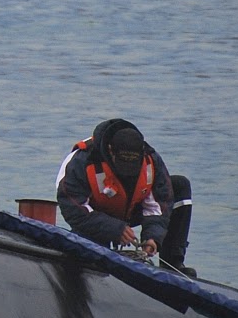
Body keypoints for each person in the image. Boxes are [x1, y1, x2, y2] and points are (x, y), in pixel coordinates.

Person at [55, 118, 196, 276]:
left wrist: (153, 237)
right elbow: (73, 209)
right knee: (91, 255)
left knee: (180, 186)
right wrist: (113, 229)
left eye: (133, 166)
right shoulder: (82, 161)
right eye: (123, 164)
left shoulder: (151, 159)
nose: (127, 172)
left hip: (129, 209)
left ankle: (173, 264)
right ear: (110, 151)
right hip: (92, 217)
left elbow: (158, 203)